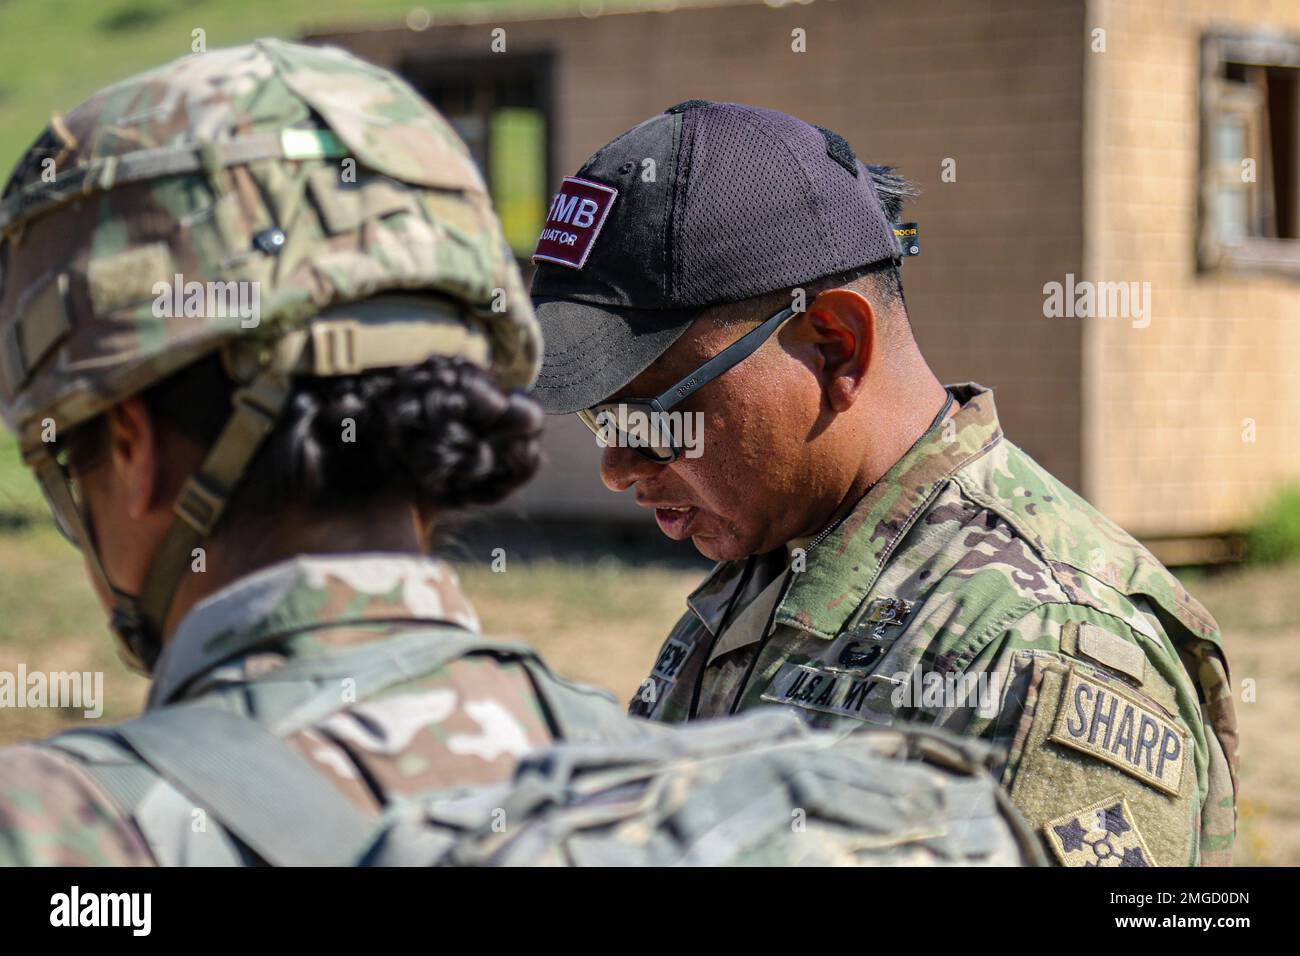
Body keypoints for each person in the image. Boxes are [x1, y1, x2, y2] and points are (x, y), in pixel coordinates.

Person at [0, 45, 1036, 869]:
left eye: (67, 460)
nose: (624, 471)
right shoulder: (681, 785)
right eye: (602, 422)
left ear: (130, 450)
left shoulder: (56, 831)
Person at [527, 100, 1238, 867]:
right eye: (599, 422)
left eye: (649, 418)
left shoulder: (1036, 648)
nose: (617, 468)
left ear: (834, 346)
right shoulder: (780, 558)